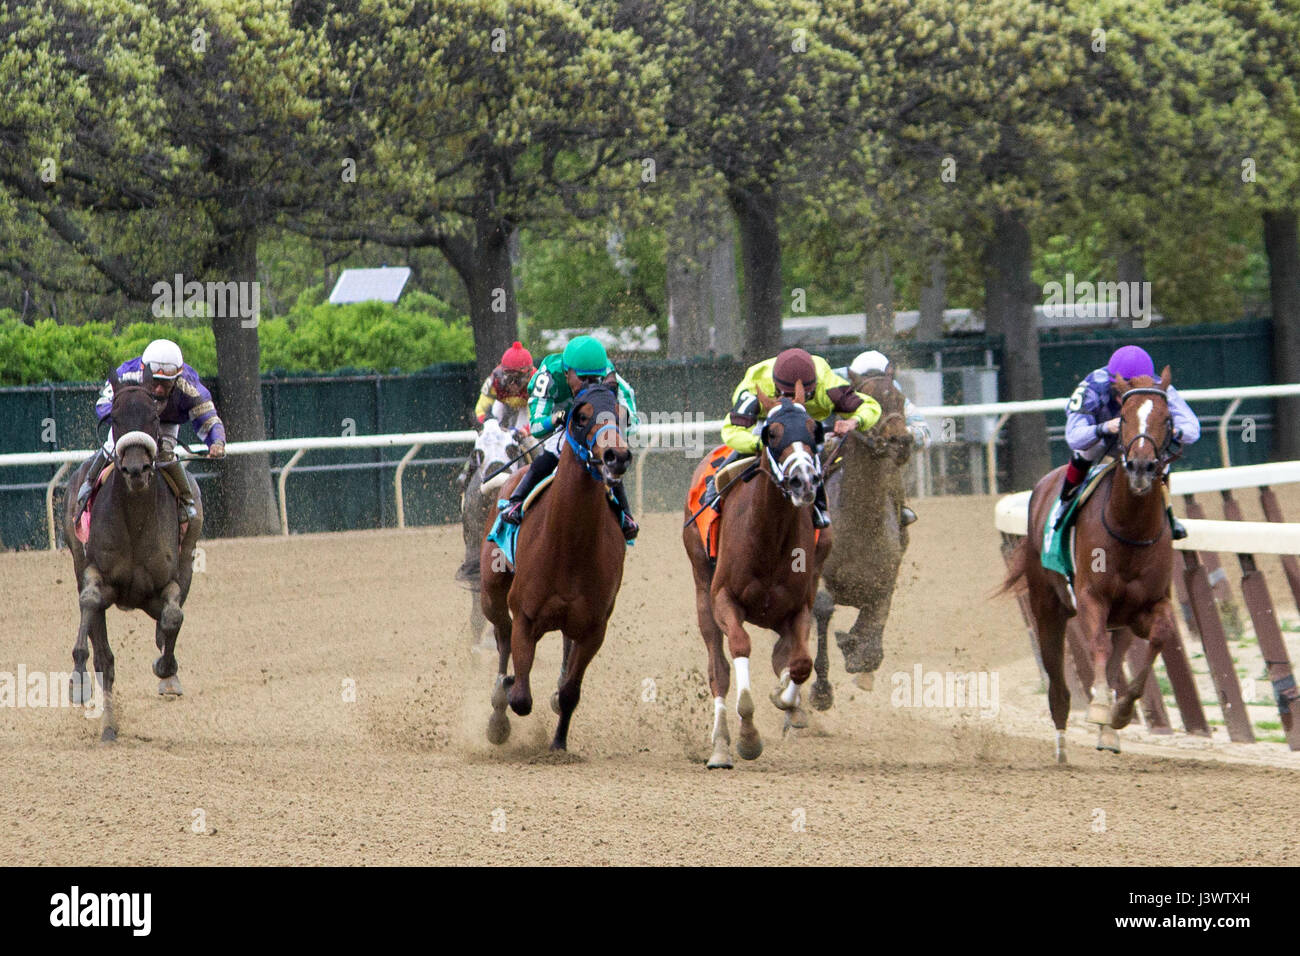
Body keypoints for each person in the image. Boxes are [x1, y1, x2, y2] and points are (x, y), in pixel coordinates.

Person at [711, 347, 881, 529]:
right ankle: (712, 498)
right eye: (788, 396)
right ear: (775, 388)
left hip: (805, 423)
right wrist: (763, 443)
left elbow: (870, 406)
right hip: (767, 423)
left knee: (816, 454)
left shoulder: (827, 384)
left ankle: (819, 506)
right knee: (737, 458)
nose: (794, 401)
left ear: (814, 388)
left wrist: (854, 421)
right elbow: (732, 431)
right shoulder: (754, 387)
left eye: (803, 396)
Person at [498, 335, 640, 541]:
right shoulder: (547, 377)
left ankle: (625, 514)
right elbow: (537, 426)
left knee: (610, 457)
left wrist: (611, 429)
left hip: (595, 426)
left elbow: (633, 422)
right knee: (553, 452)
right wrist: (558, 418)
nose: (590, 384)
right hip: (562, 424)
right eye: (583, 379)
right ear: (567, 373)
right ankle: (516, 501)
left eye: (595, 379)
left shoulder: (611, 377)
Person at [1052, 344, 1199, 539]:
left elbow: (1192, 430)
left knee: (1160, 456)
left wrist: (1173, 431)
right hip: (1102, 438)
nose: (1124, 398)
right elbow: (1074, 437)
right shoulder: (1092, 387)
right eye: (1121, 392)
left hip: (1139, 441)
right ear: (1114, 383)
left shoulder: (1159, 387)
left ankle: (1167, 513)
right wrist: (1104, 427)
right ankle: (1066, 502)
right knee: (1087, 451)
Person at [77, 338, 226, 522]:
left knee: (166, 455)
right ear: (144, 372)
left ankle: (186, 501)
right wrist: (126, 418)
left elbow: (209, 417)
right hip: (131, 419)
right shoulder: (127, 374)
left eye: (166, 383)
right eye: (155, 381)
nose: (159, 389)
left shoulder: (190, 386)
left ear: (178, 378)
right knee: (111, 447)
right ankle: (88, 485)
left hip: (166, 423)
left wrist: (217, 442)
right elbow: (103, 404)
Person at [833, 349, 931, 526]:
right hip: (839, 449)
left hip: (877, 455)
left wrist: (904, 434)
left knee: (890, 459)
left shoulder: (893, 392)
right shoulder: (832, 386)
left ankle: (899, 508)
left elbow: (924, 433)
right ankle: (814, 510)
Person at [458, 342, 535, 489]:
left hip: (528, 407)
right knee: (487, 436)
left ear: (527, 375)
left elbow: (536, 419)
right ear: (503, 374)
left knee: (530, 441)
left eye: (518, 379)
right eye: (510, 378)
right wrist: (485, 425)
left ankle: (540, 472)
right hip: (502, 405)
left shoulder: (536, 380)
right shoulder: (495, 379)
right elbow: (480, 409)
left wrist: (523, 432)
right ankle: (466, 474)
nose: (513, 385)